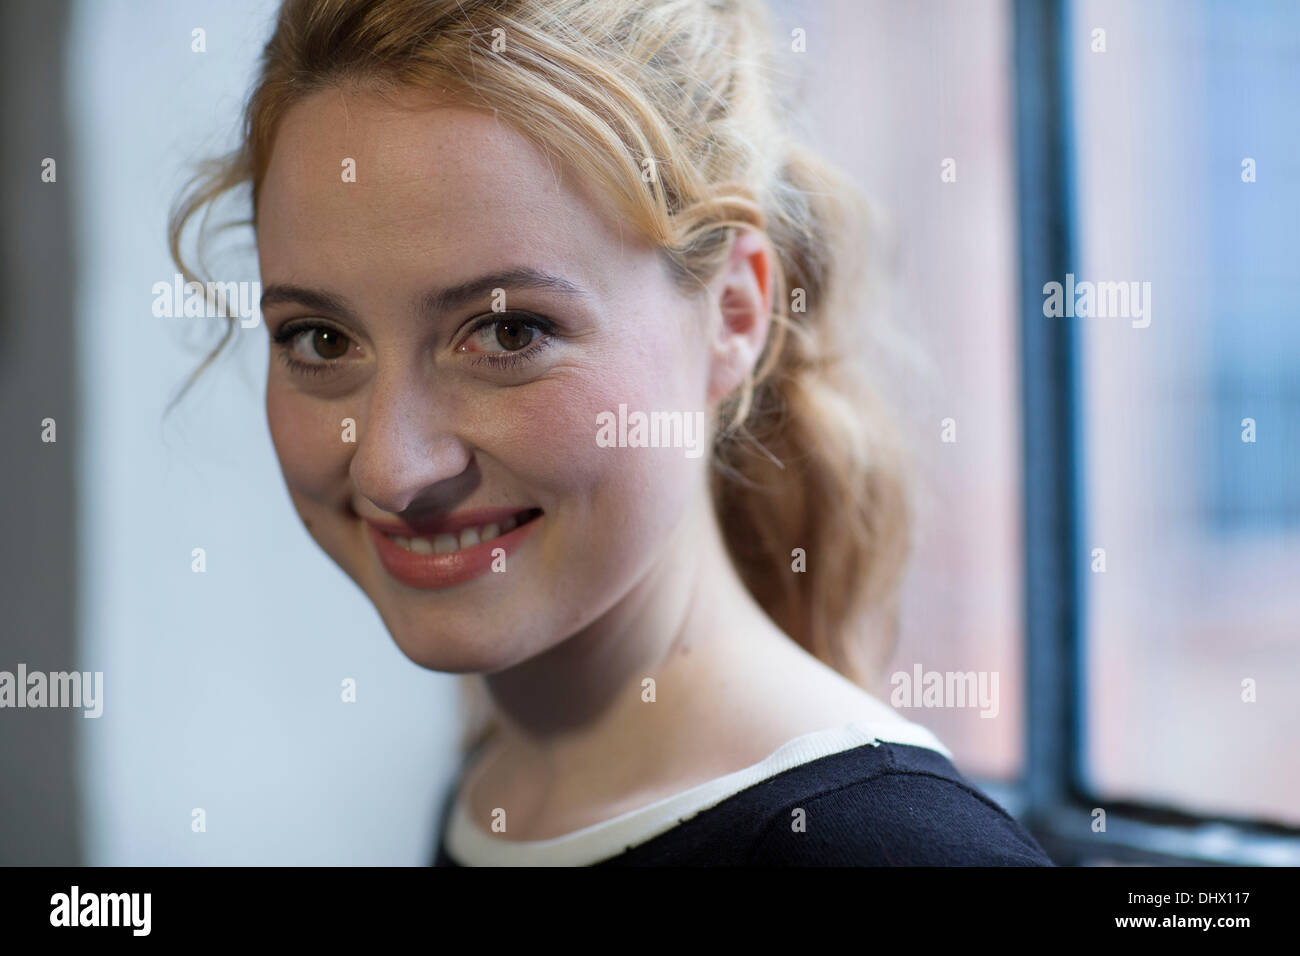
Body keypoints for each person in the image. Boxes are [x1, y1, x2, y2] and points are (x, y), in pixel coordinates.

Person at [169, 0, 1054, 866]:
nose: (395, 470)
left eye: (509, 332)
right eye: (320, 339)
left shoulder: (889, 855)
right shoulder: (498, 797)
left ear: (735, 313)